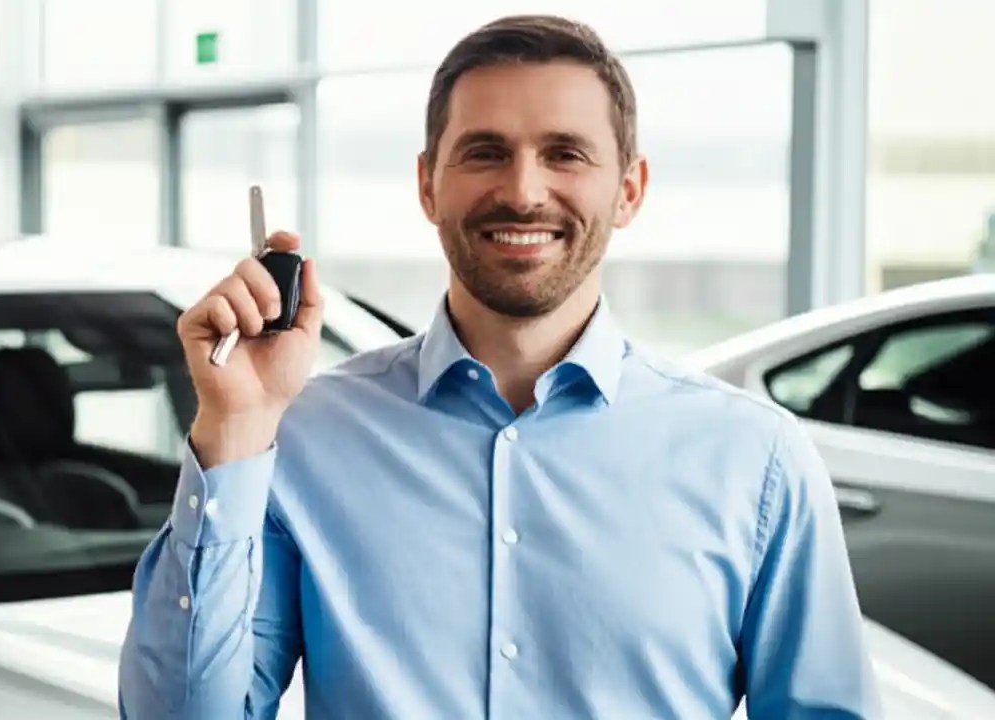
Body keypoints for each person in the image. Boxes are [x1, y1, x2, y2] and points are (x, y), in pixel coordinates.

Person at [118, 14, 880, 720]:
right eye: (485, 152)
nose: (522, 191)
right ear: (427, 184)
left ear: (630, 190)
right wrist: (237, 426)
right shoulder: (304, 439)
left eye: (565, 154)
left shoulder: (756, 460)